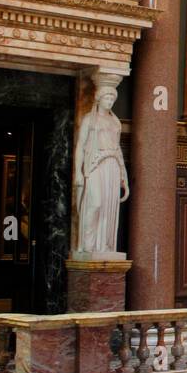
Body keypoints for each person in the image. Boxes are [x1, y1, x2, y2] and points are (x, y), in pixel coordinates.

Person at [73, 85, 129, 254]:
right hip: (95, 165)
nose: (110, 101)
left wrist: (123, 174)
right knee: (95, 203)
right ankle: (87, 245)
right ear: (99, 99)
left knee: (108, 207)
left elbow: (118, 148)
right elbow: (80, 146)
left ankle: (103, 246)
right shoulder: (89, 119)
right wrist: (78, 172)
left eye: (112, 99)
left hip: (112, 165)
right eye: (107, 98)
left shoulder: (115, 121)